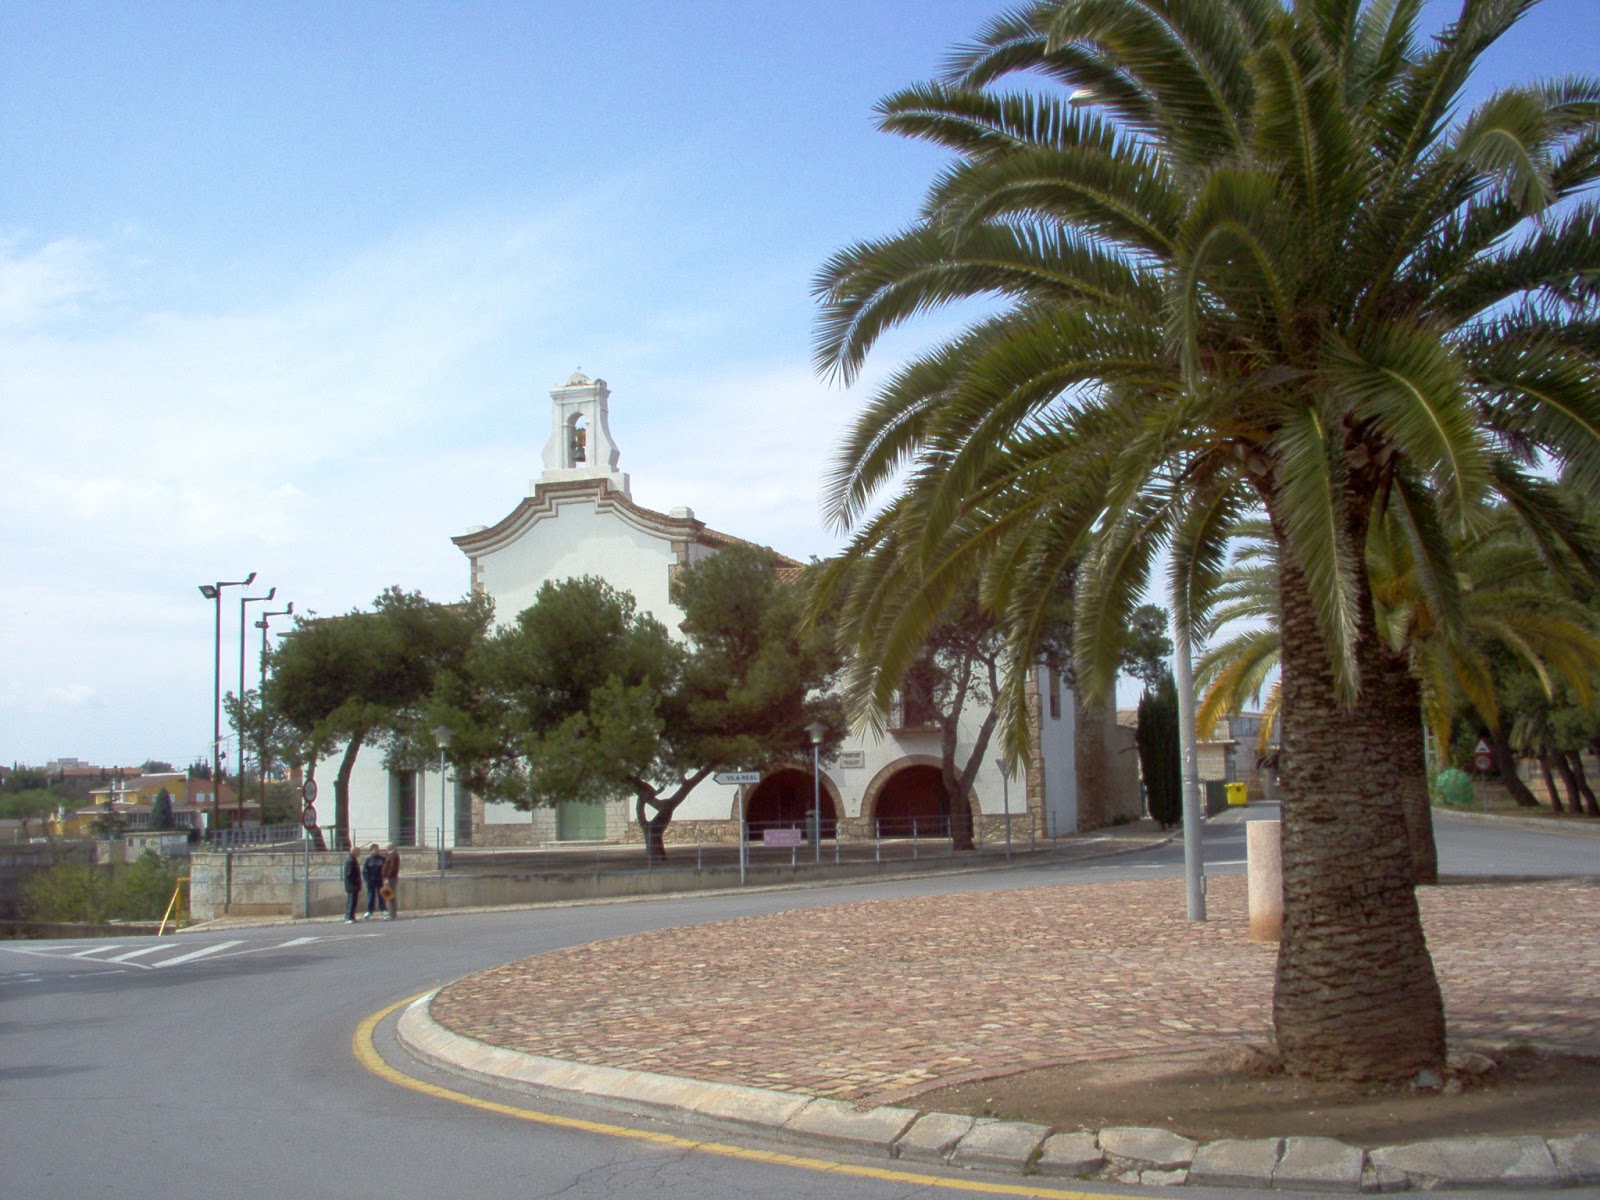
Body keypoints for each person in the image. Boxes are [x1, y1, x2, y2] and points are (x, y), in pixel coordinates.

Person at [361, 843, 386, 919]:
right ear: (371, 850)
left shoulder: (382, 859)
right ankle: (369, 911)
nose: (377, 851)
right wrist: (367, 880)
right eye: (375, 849)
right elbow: (365, 871)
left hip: (380, 881)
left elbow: (386, 869)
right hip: (371, 881)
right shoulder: (368, 860)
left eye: (377, 849)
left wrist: (385, 878)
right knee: (371, 896)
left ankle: (383, 910)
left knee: (382, 896)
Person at [342, 845, 362, 923]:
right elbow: (349, 874)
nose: (359, 854)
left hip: (355, 885)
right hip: (351, 885)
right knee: (351, 901)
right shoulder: (350, 861)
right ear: (354, 851)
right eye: (358, 852)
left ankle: (352, 916)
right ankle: (348, 917)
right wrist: (356, 879)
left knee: (354, 901)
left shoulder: (354, 860)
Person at [380, 843, 400, 919]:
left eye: (386, 847)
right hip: (389, 878)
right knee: (389, 895)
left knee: (390, 895)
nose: (385, 849)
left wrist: (387, 878)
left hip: (391, 878)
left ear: (389, 847)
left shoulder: (393, 855)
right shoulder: (391, 855)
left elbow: (392, 867)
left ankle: (392, 914)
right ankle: (392, 913)